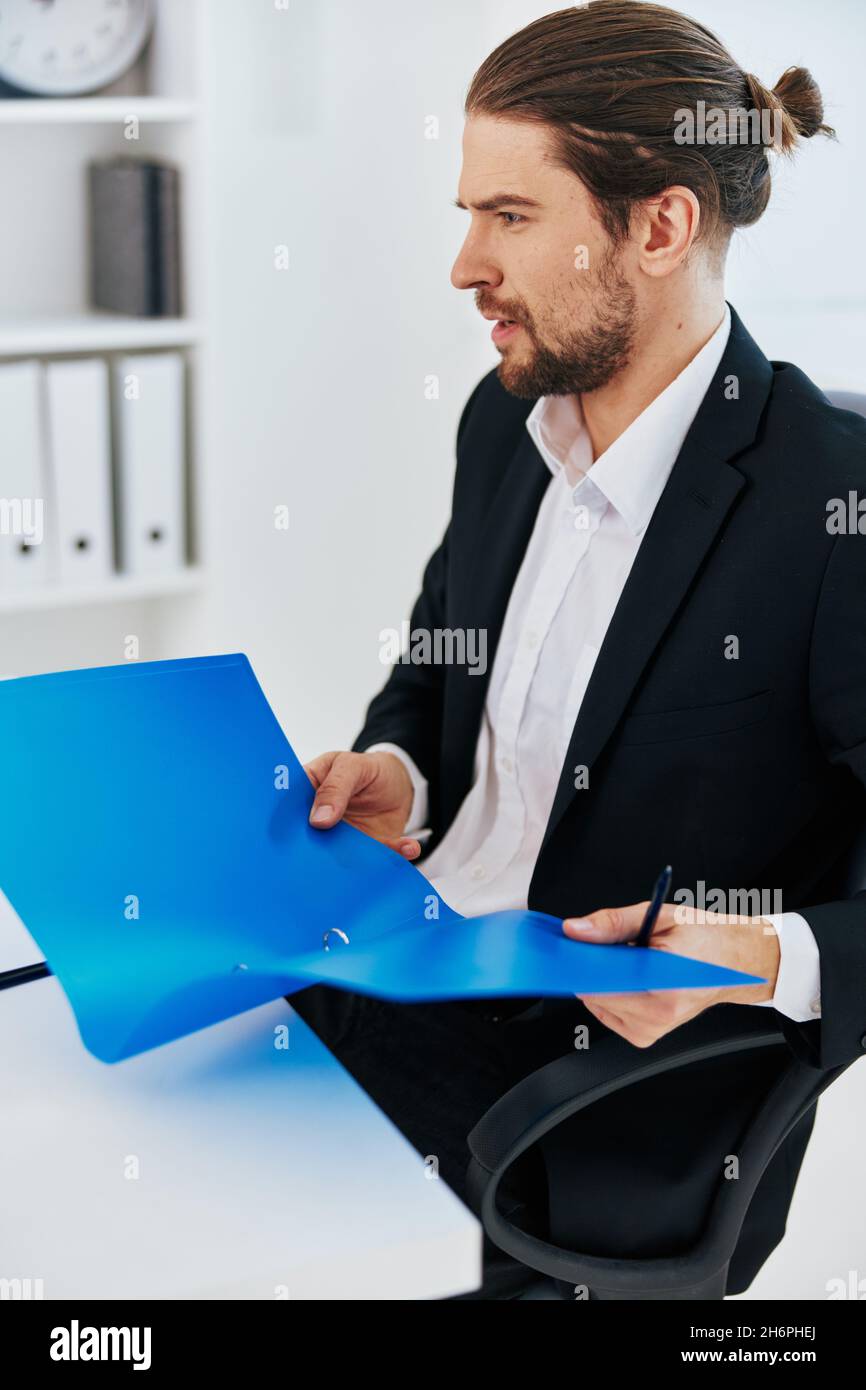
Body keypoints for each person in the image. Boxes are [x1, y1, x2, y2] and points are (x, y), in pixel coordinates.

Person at [292, 0, 866, 1298]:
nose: (460, 265)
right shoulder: (507, 427)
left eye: (507, 216)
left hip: (590, 1098)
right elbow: (439, 666)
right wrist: (403, 766)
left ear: (656, 226)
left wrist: (778, 956)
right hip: (408, 970)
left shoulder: (833, 513)